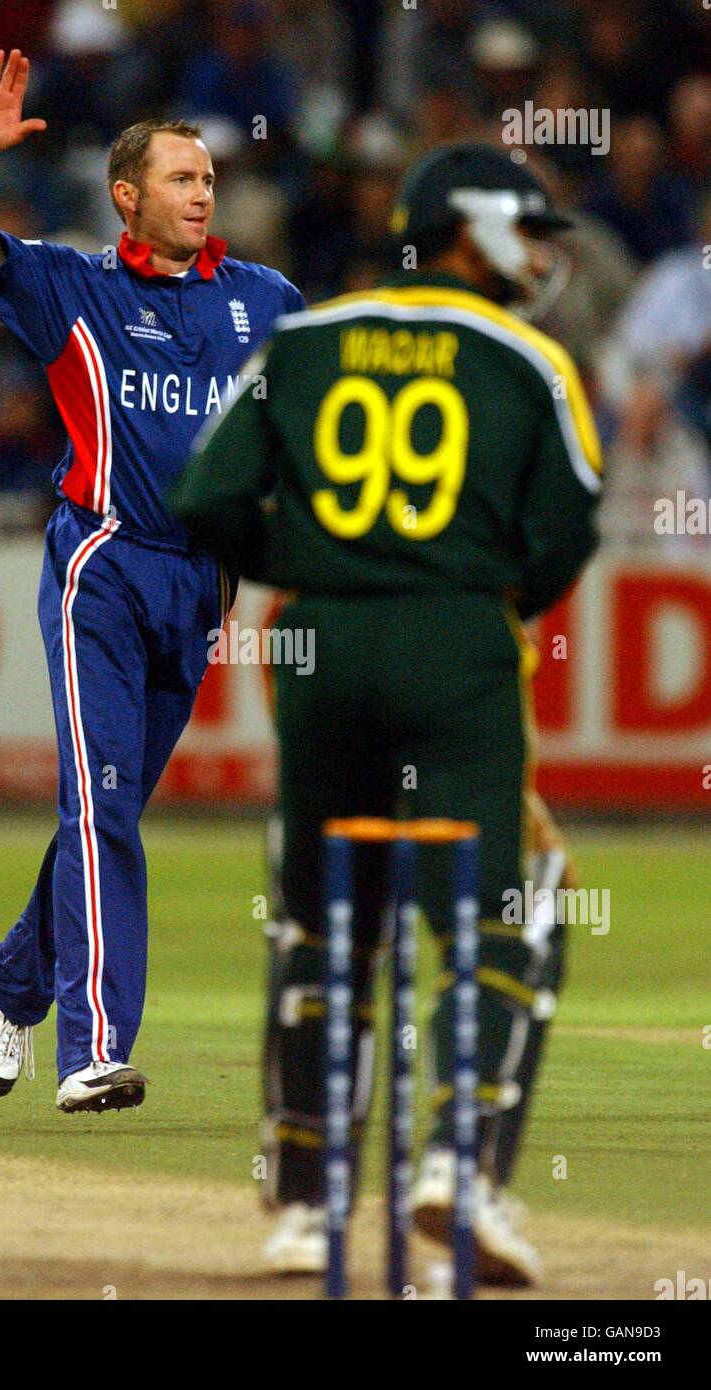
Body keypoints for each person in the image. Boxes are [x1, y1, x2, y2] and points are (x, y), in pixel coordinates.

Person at [170, 143, 601, 1286]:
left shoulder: (303, 339)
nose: (544, 255)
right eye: (529, 229)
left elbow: (205, 497)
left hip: (317, 640)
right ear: (468, 228)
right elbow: (568, 532)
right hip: (456, 643)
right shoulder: (527, 358)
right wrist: (469, 590)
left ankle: (307, 1209)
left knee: (319, 914)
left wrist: (310, 563)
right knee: (516, 898)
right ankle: (460, 1170)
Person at [0, 49, 302, 1115]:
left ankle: (4, 978)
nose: (203, 193)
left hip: (202, 586)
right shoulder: (71, 287)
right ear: (126, 197)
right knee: (100, 807)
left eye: (210, 179)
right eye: (182, 179)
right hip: (102, 562)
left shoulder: (263, 300)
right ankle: (91, 1044)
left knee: (112, 803)